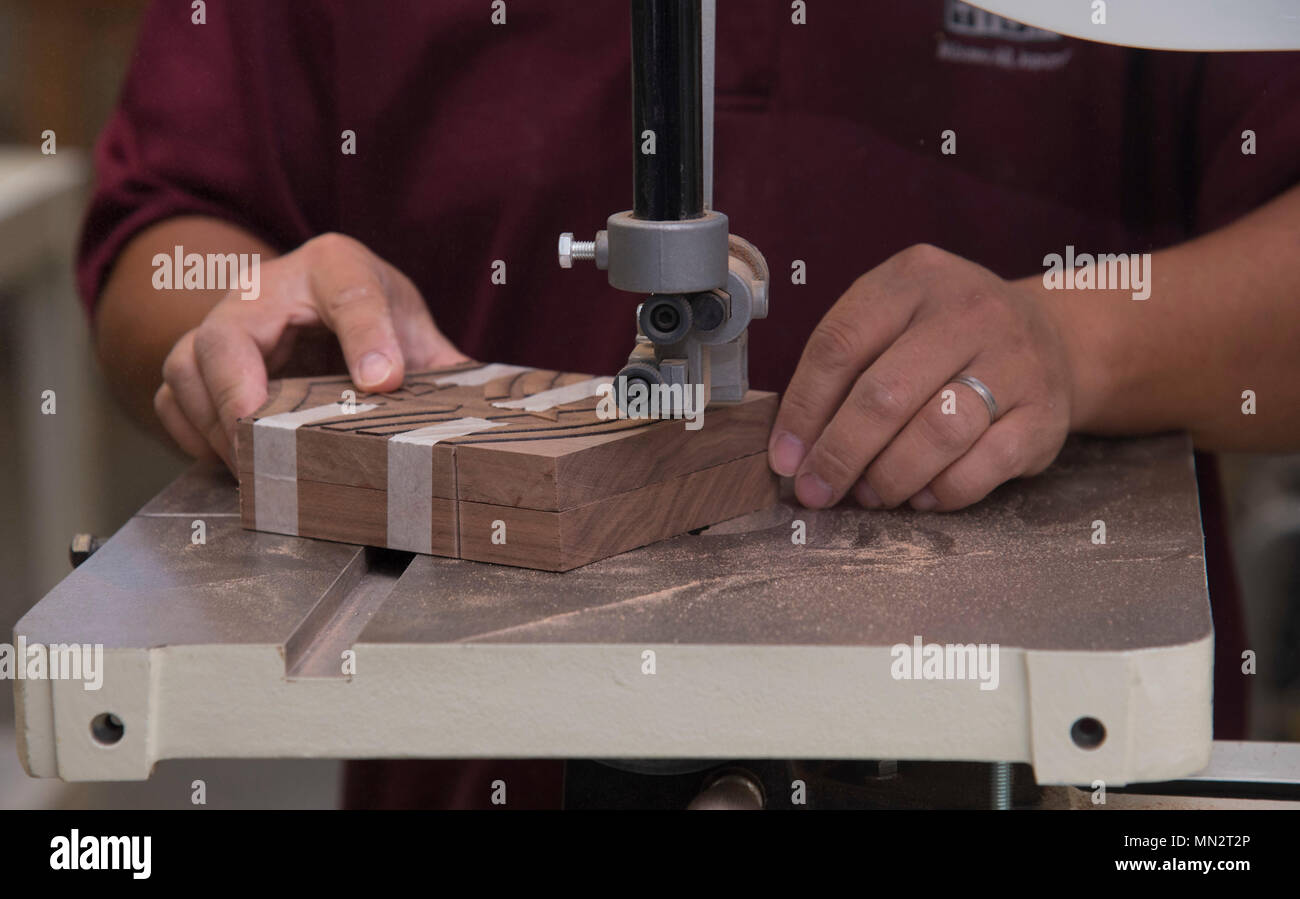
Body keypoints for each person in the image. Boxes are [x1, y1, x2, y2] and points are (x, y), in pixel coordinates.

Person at [80, 1, 1299, 807]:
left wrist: (1074, 340)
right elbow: (159, 226)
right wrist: (253, 312)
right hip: (476, 768)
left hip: (1032, 760)